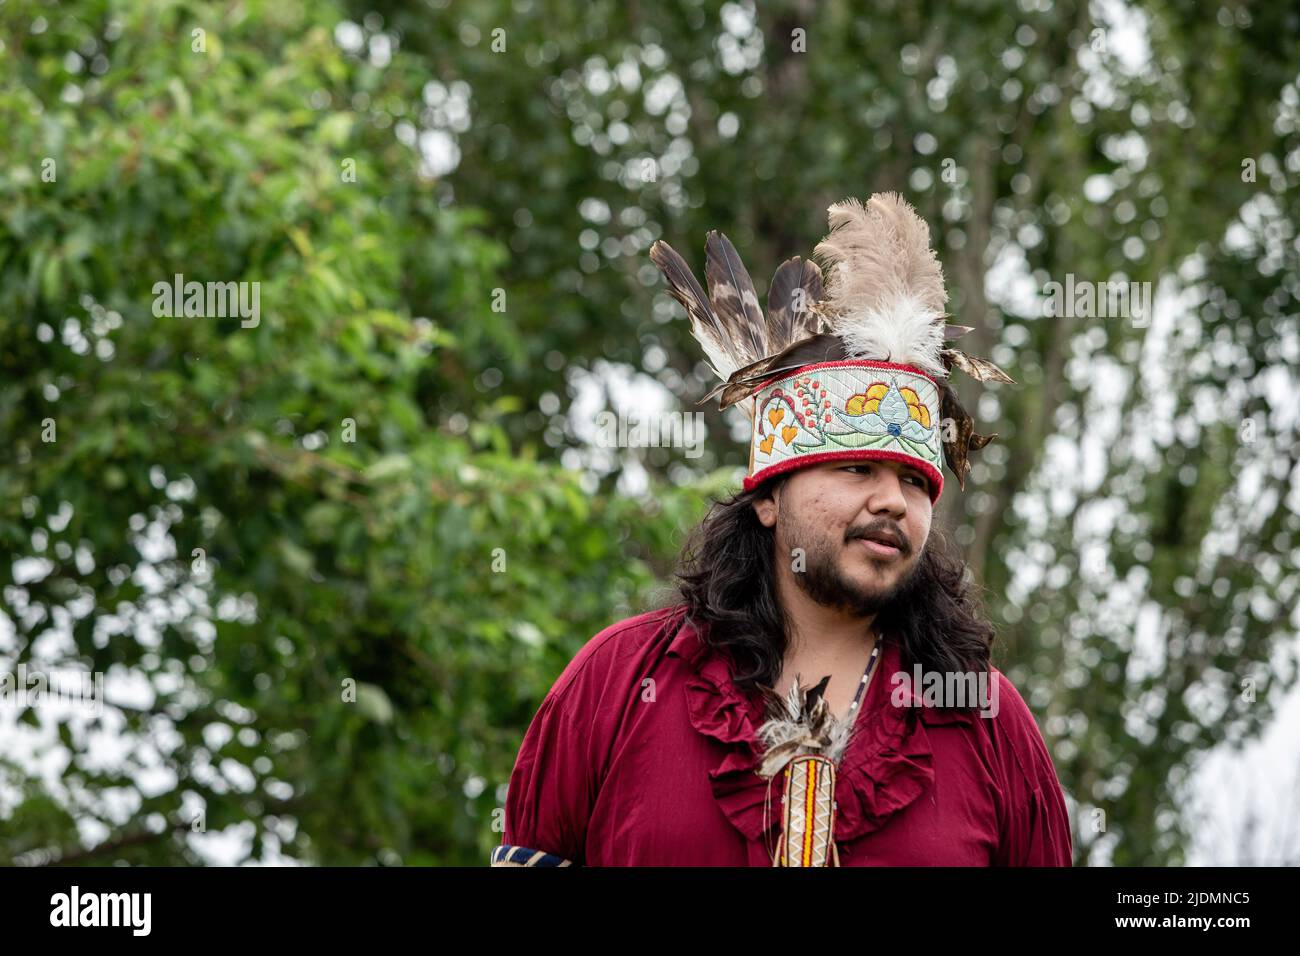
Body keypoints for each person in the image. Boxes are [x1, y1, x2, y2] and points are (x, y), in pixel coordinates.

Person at [491, 193, 1072, 867]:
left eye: (916, 481)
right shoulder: (617, 682)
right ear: (769, 498)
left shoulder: (985, 719)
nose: (892, 501)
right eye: (857, 468)